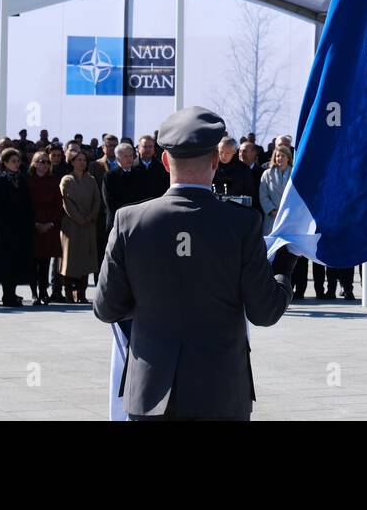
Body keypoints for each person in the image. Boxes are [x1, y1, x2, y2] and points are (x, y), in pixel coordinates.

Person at [93, 106, 296, 420]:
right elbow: (265, 312)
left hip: (150, 392)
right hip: (220, 393)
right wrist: (283, 269)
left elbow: (107, 308)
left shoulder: (128, 221)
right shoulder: (241, 223)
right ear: (215, 161)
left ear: (164, 162)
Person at [0, 148, 35, 307]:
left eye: (18, 161)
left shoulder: (22, 179)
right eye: (13, 161)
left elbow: (27, 205)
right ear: (5, 162)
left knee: (13, 264)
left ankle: (9, 294)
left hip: (17, 230)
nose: (17, 164)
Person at [59, 149, 101, 304]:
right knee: (70, 259)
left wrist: (91, 217)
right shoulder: (67, 180)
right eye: (78, 160)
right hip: (72, 225)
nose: (82, 162)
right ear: (72, 162)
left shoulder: (90, 179)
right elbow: (66, 203)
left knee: (86, 259)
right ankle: (69, 292)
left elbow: (97, 199)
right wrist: (79, 218)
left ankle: (82, 293)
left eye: (84, 160)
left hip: (88, 224)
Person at [27, 151, 62, 305]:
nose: (45, 165)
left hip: (49, 228)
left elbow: (59, 205)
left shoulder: (53, 181)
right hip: (32, 227)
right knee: (32, 263)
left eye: (47, 162)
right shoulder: (27, 180)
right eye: (41, 161)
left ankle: (43, 291)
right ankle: (34, 293)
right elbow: (24, 205)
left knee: (45, 262)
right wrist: (35, 223)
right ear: (34, 163)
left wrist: (51, 223)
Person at [102, 142, 154, 230]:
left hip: (137, 220)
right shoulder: (110, 176)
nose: (129, 159)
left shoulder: (140, 174)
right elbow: (109, 201)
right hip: (117, 221)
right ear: (118, 158)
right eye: (126, 156)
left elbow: (145, 195)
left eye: (131, 156)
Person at [258, 143, 292, 235]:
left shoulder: (294, 174)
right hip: (272, 217)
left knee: (290, 247)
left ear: (288, 158)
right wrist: (272, 211)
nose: (280, 158)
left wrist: (290, 211)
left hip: (290, 217)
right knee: (272, 246)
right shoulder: (267, 174)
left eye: (283, 156)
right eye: (277, 156)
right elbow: (263, 195)